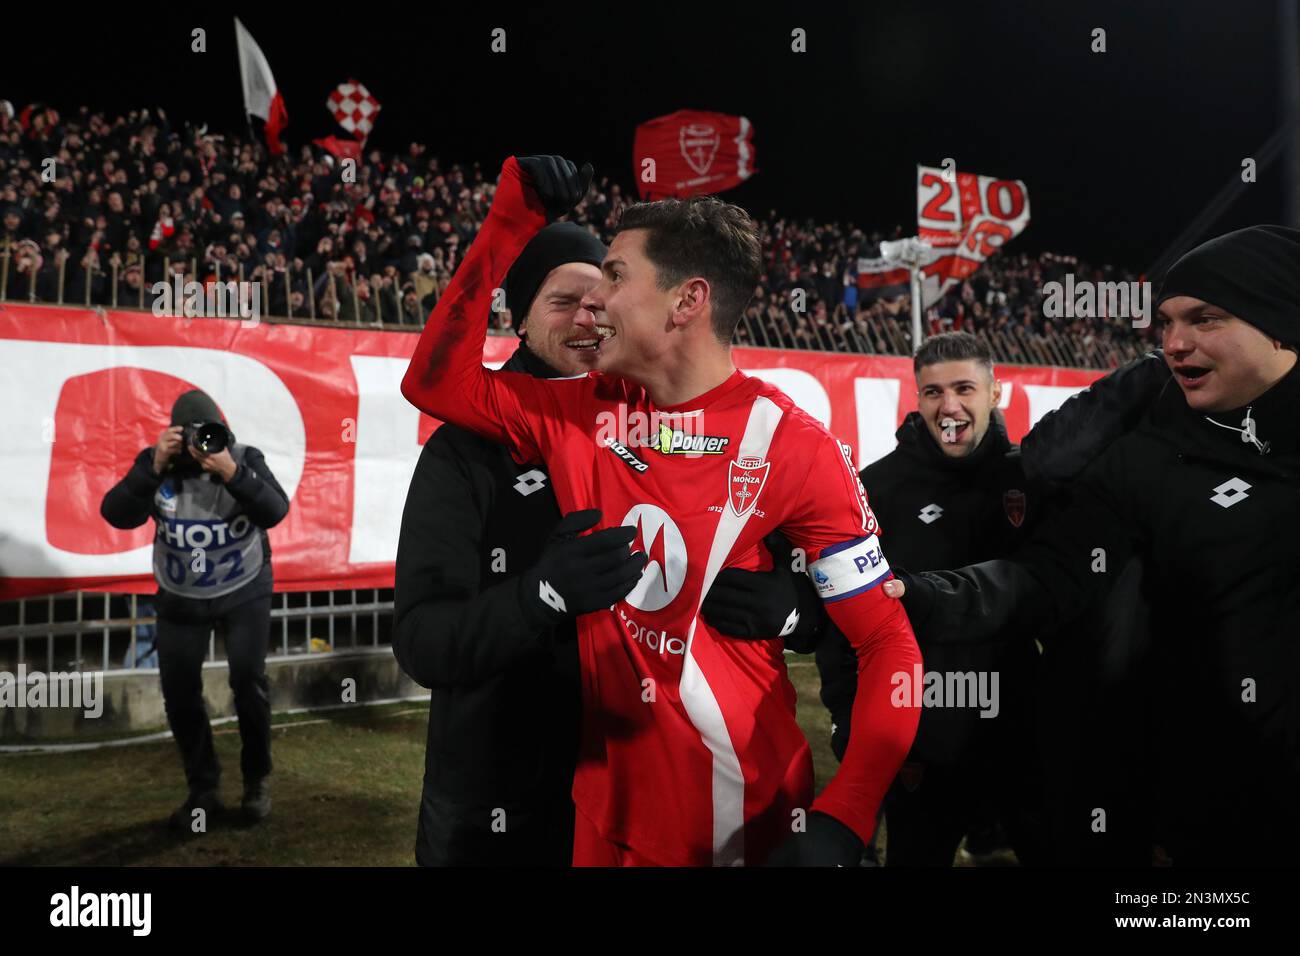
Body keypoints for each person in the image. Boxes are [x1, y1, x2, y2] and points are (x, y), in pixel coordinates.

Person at [401, 155, 920, 866]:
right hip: (598, 815)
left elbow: (889, 644)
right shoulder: (580, 412)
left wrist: (849, 813)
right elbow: (434, 382)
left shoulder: (794, 447)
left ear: (686, 301)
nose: (595, 305)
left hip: (737, 822)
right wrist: (510, 222)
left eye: (614, 278)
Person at [893, 225, 1300, 865]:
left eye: (1204, 319)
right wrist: (926, 597)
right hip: (1174, 801)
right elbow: (1053, 573)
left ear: (1281, 324)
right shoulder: (1144, 449)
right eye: (1164, 323)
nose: (1173, 343)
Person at [812, 331, 1045, 866]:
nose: (950, 406)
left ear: (996, 392)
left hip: (1020, 734)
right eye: (933, 392)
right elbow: (839, 626)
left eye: (964, 388)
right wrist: (850, 725)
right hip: (922, 739)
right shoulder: (875, 488)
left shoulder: (1032, 480)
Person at [100, 390, 289, 829]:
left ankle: (256, 779)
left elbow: (275, 510)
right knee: (180, 691)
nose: (200, 446)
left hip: (244, 586)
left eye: (209, 435)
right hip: (180, 593)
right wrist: (152, 469)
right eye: (191, 438)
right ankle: (202, 789)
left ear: (222, 431)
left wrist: (233, 472)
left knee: (248, 680)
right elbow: (116, 514)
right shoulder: (156, 464)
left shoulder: (242, 457)